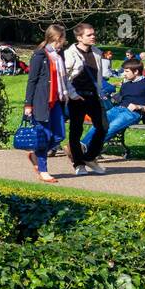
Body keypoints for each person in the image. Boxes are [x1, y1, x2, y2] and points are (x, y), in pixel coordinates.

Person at [82, 59, 145, 149]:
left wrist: (139, 107)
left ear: (136, 71)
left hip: (133, 113)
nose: (124, 74)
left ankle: (88, 148)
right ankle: (81, 145)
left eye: (126, 71)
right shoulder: (126, 85)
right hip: (117, 109)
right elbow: (117, 99)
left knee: (112, 127)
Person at [23, 24, 69, 184]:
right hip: (41, 101)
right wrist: (28, 104)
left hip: (57, 100)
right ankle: (43, 170)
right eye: (61, 38)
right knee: (45, 136)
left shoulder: (59, 54)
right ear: (55, 38)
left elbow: (62, 78)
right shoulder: (40, 55)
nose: (63, 42)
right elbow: (32, 81)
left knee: (59, 135)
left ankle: (35, 154)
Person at [63, 22, 108, 176]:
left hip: (93, 95)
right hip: (77, 96)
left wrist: (99, 91)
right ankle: (79, 163)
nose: (93, 37)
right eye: (89, 35)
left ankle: (89, 157)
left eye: (93, 34)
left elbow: (98, 76)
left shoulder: (96, 52)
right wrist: (72, 94)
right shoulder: (70, 53)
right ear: (79, 37)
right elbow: (65, 76)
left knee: (103, 127)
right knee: (76, 130)